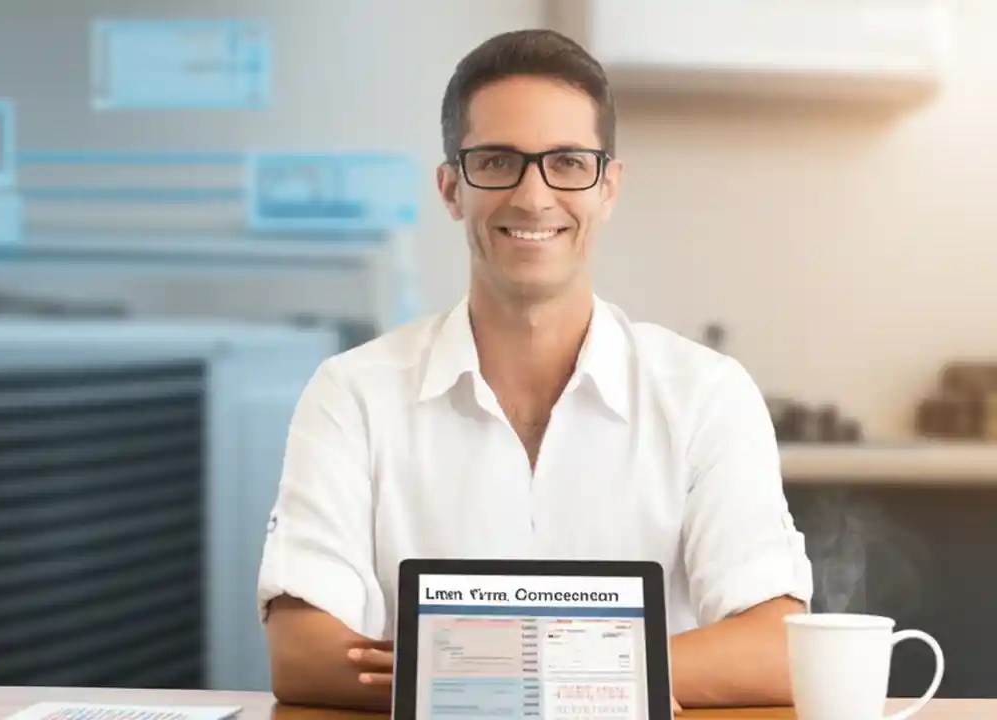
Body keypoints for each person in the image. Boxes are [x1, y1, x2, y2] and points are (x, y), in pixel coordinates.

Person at [257, 28, 812, 712]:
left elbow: (777, 647)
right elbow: (302, 652)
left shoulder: (706, 395)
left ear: (608, 188)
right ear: (450, 188)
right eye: (497, 161)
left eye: (568, 163)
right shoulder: (351, 394)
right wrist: (600, 676)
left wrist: (480, 675)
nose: (533, 195)